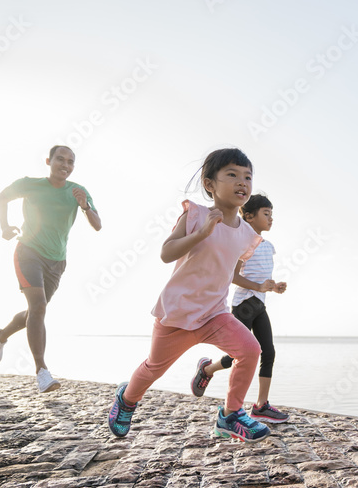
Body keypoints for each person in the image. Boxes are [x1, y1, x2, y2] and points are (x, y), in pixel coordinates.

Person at [108, 148, 270, 442]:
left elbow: (229, 271)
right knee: (153, 370)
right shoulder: (196, 215)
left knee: (250, 350)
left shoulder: (247, 234)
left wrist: (261, 287)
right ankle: (126, 400)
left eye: (247, 177)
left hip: (214, 314)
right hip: (178, 314)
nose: (242, 182)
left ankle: (230, 416)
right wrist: (202, 233)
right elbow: (166, 253)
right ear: (210, 184)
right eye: (231, 175)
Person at [0, 145, 101, 392]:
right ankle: (42, 371)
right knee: (38, 307)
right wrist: (5, 226)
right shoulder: (30, 184)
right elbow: (1, 199)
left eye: (70, 162)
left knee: (34, 311)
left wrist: (85, 206)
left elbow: (97, 224)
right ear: (49, 161)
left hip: (57, 261)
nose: (65, 165)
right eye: (60, 159)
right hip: (28, 251)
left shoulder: (78, 192)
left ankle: (0, 336)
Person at [190, 194, 288, 423]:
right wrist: (258, 286)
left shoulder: (268, 246)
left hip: (260, 304)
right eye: (266, 213)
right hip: (244, 305)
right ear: (249, 217)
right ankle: (207, 370)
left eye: (272, 214)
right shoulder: (243, 243)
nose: (271, 218)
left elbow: (262, 279)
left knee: (269, 352)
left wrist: (273, 287)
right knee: (237, 355)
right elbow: (233, 276)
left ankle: (261, 405)